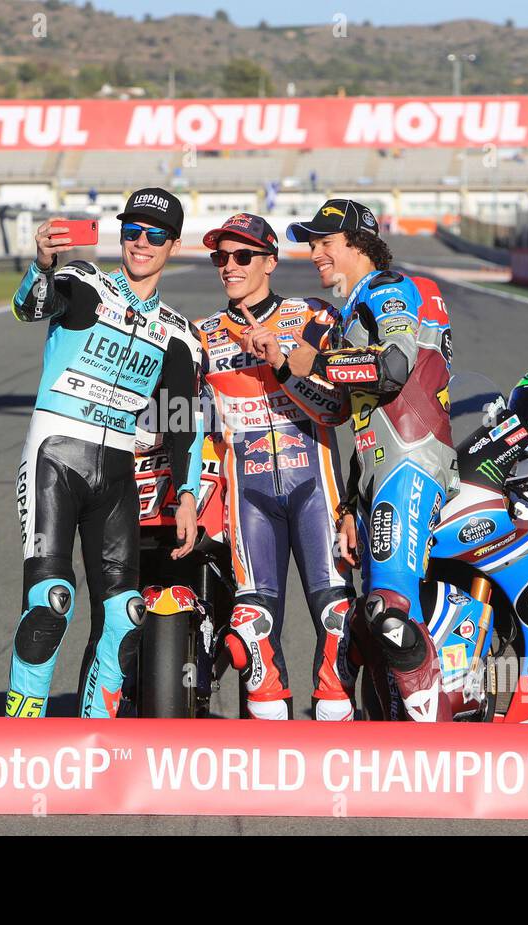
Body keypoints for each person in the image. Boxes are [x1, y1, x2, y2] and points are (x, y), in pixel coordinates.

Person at [6, 188, 204, 719]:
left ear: (174, 245)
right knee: (51, 603)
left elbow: (179, 423)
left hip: (117, 471)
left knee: (125, 614)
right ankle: (20, 734)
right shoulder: (84, 282)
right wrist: (43, 263)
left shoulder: (180, 336)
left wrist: (187, 495)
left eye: (155, 235)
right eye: (133, 231)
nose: (141, 243)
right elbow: (31, 305)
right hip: (54, 454)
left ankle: (96, 737)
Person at [283, 199, 457, 721]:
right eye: (311, 244)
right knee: (366, 625)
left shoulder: (387, 290)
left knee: (389, 615)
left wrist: (315, 360)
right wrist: (285, 374)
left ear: (358, 243)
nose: (314, 254)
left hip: (409, 465)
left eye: (324, 243)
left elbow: (394, 367)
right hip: (373, 479)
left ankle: (435, 741)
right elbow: (338, 409)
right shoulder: (353, 310)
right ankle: (387, 741)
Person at [194, 213, 356, 721]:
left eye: (242, 256)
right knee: (254, 622)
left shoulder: (314, 318)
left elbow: (336, 410)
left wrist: (283, 364)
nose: (229, 266)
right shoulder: (201, 337)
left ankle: (345, 752)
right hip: (247, 497)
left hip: (316, 488)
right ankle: (267, 761)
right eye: (221, 256)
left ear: (270, 261)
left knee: (336, 617)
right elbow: (196, 430)